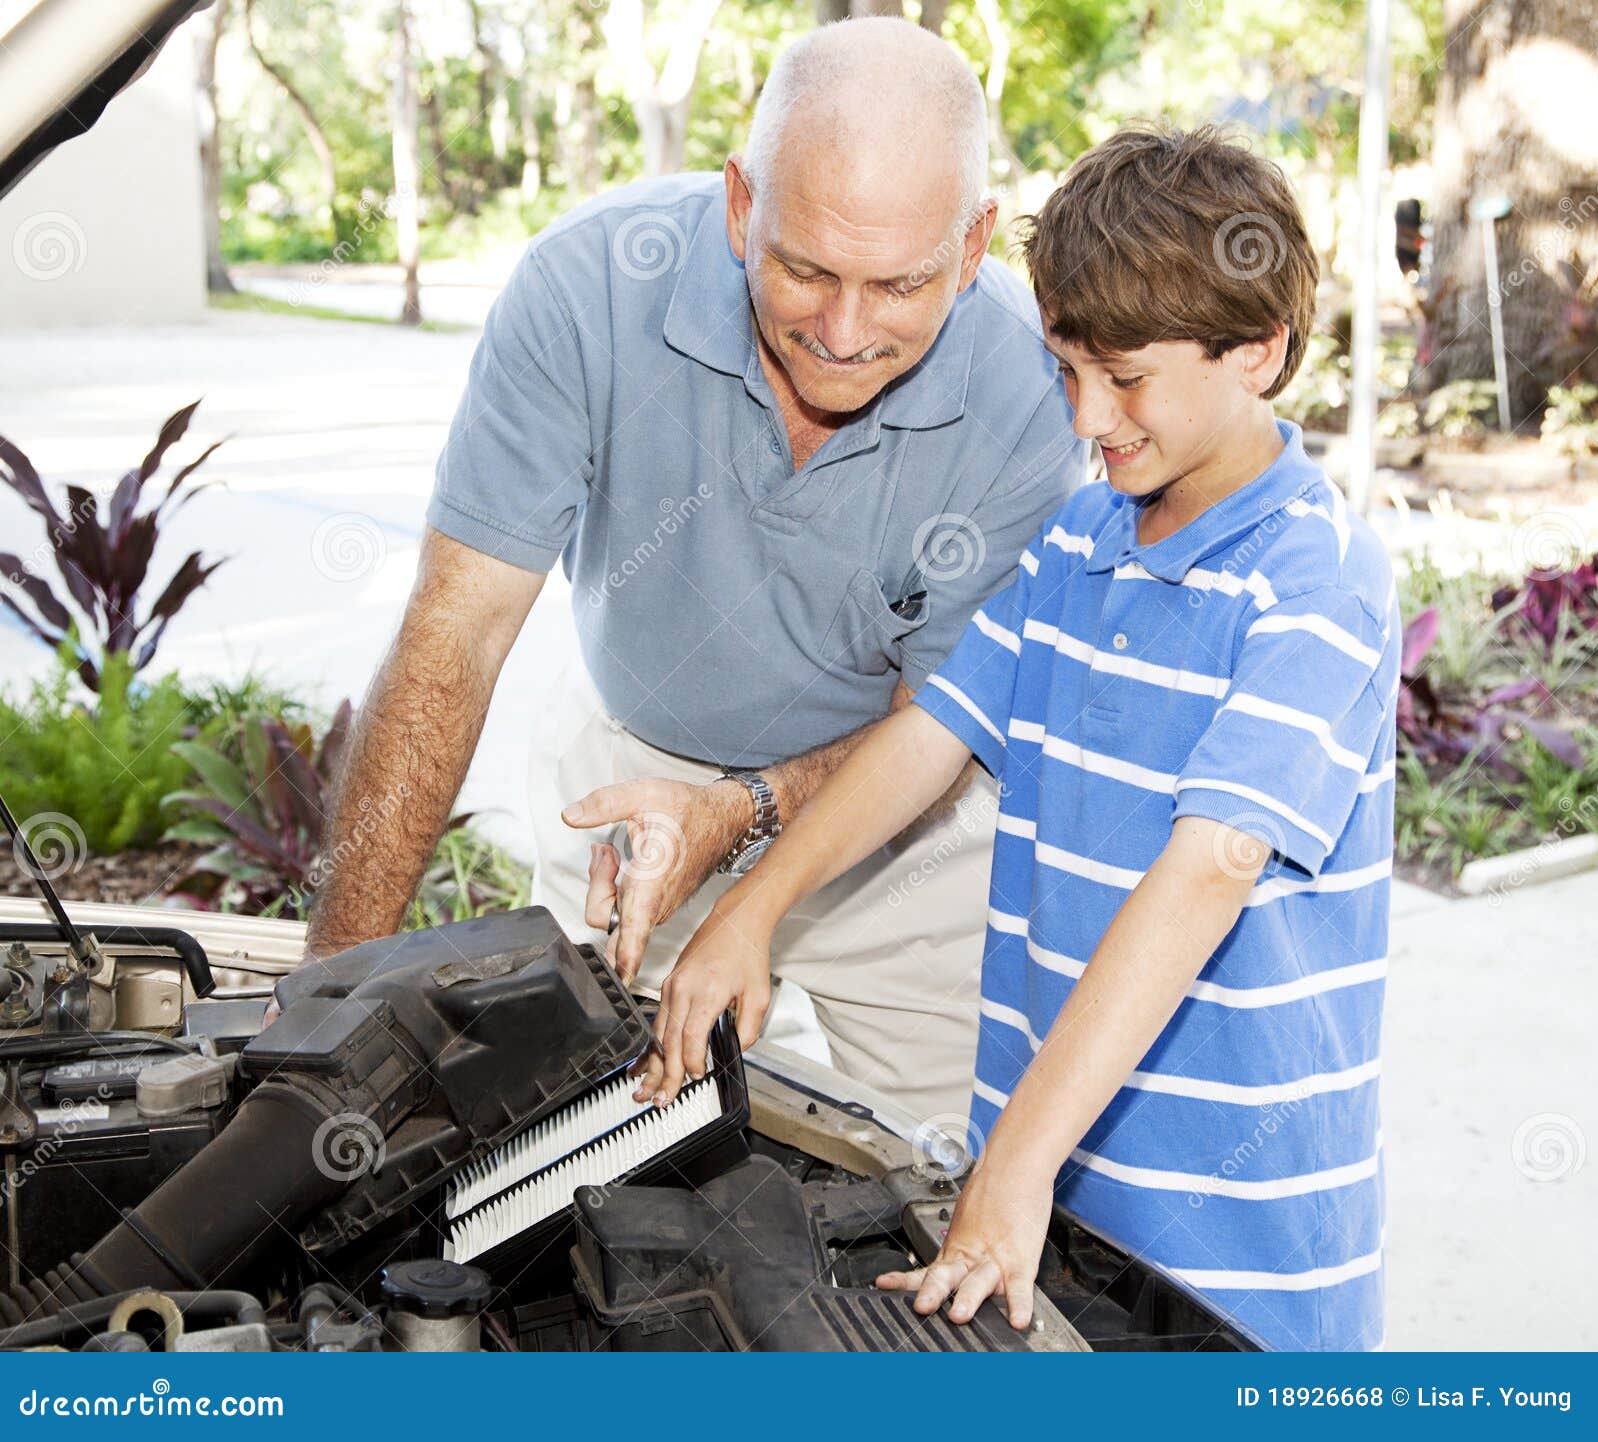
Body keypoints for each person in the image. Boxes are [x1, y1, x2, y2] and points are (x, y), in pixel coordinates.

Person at [640, 125, 1398, 1352]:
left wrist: (1015, 1162)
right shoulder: (1083, 537)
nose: (1088, 416)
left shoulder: (1317, 583)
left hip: (1237, 1257)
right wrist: (751, 907)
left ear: (1257, 352)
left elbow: (1210, 866)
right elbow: (934, 727)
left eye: (1127, 378)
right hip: (1054, 1194)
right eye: (1066, 370)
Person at [293, 17, 1087, 1123]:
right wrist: (326, 1011)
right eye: (805, 269)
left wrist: (743, 819)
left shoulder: (1033, 390)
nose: (844, 331)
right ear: (739, 205)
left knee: (946, 1178)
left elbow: (941, 721)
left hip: (904, 815)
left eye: (898, 286)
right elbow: (455, 633)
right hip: (628, 782)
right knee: (563, 1152)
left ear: (971, 246)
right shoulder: (586, 289)